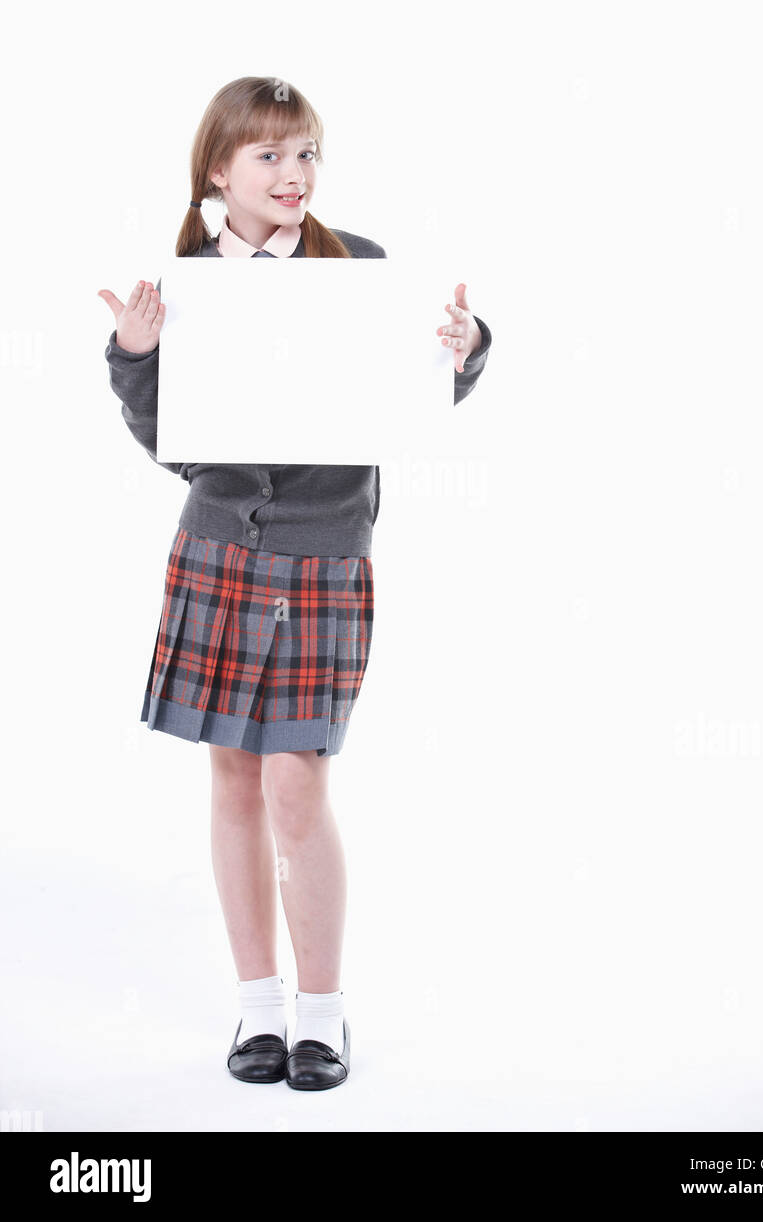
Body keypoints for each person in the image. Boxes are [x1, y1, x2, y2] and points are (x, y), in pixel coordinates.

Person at [97, 75, 493, 1092]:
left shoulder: (357, 267)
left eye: (305, 152)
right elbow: (172, 447)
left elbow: (420, 390)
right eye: (268, 154)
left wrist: (465, 347)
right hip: (218, 551)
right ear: (216, 173)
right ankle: (258, 1009)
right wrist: (136, 356)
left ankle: (322, 1015)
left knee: (296, 782)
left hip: (323, 556)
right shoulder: (182, 283)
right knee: (231, 775)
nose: (292, 173)